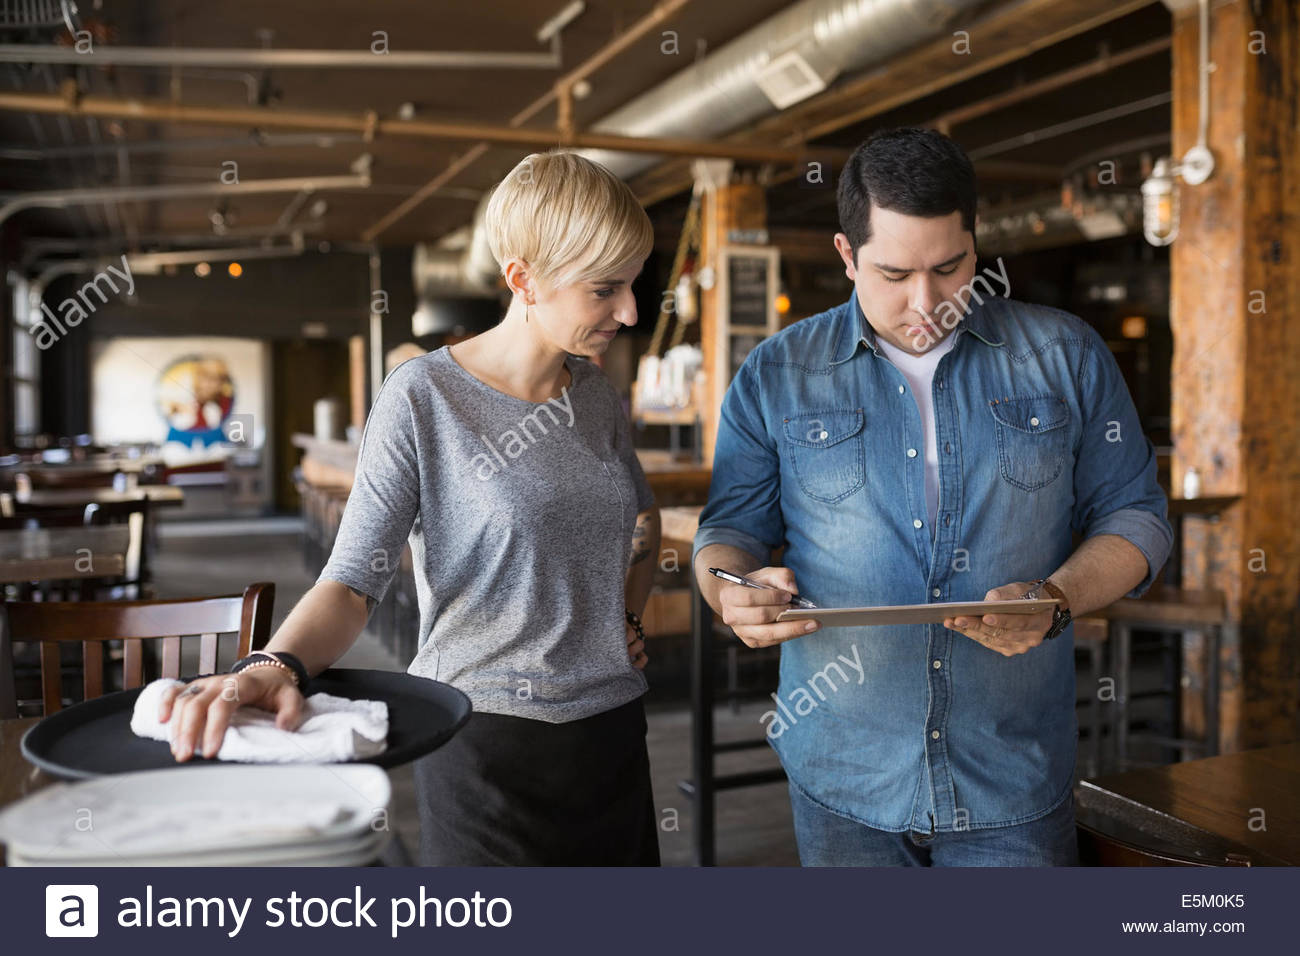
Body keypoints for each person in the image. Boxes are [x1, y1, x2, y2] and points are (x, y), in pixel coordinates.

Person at [160, 151, 663, 866]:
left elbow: (641, 518)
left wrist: (627, 616)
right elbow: (353, 582)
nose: (631, 311)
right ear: (523, 278)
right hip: (486, 742)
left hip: (613, 732)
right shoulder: (425, 397)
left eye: (634, 285)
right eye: (605, 289)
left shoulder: (593, 396)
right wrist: (272, 666)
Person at [692, 127, 1172, 867]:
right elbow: (728, 532)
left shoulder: (1065, 354)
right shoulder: (776, 373)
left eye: (950, 268)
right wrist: (732, 592)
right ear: (847, 255)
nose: (926, 301)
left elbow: (1137, 517)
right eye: (893, 273)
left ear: (975, 246)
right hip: (845, 774)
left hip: (1010, 776)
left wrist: (1057, 596)